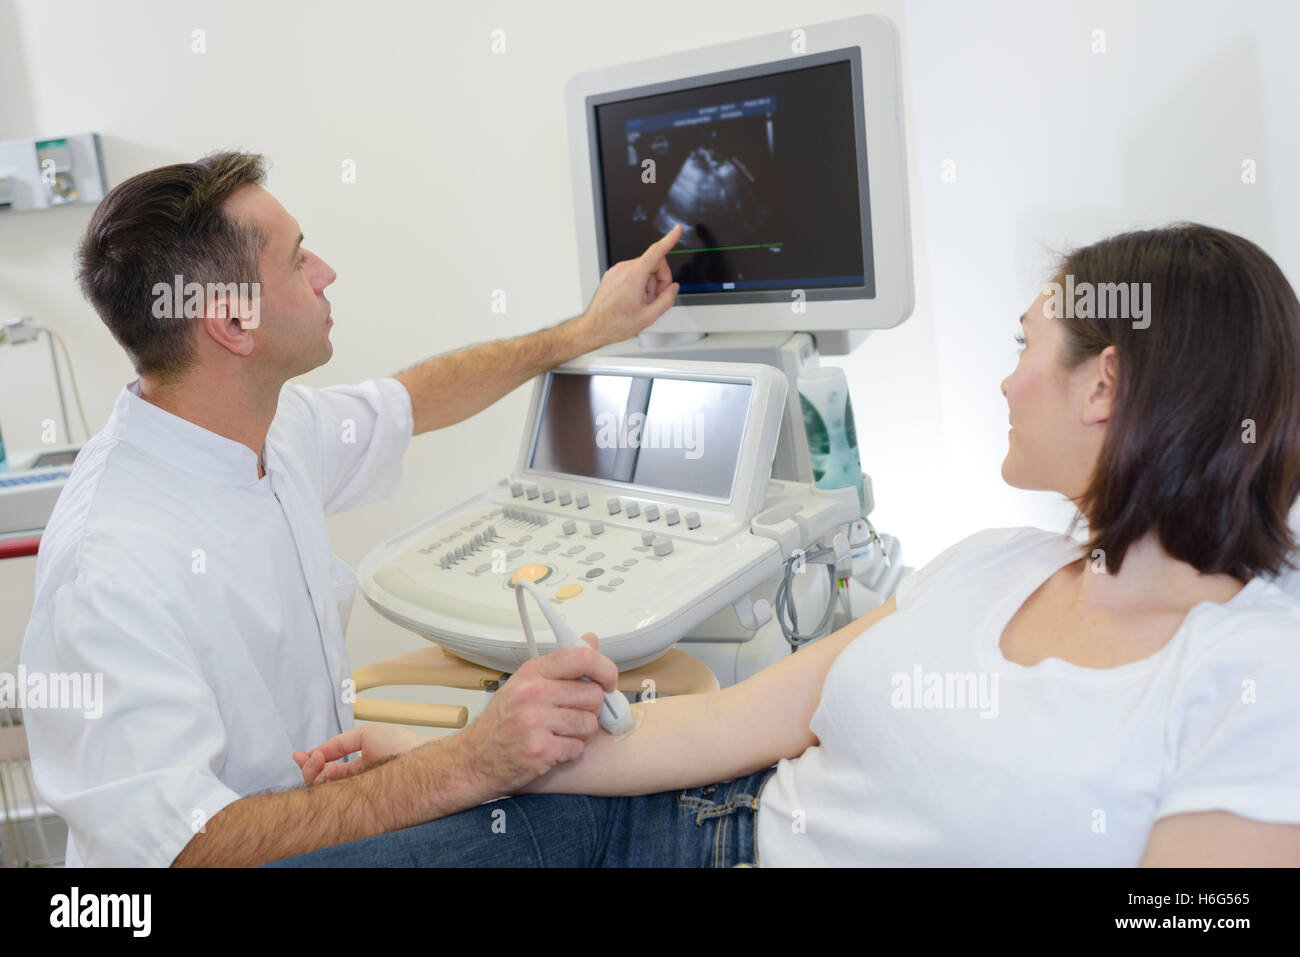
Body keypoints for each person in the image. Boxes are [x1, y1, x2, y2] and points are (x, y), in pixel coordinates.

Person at [271, 222, 1300, 867]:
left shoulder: (1256, 671)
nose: (1004, 380)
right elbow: (720, 727)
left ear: (1103, 386)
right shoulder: (993, 563)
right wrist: (458, 761)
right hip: (680, 826)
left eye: (1023, 345)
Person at [20, 150, 682, 867]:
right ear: (232, 326)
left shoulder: (264, 427)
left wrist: (584, 332)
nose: (326, 271)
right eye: (299, 259)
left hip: (316, 820)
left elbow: (415, 398)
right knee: (592, 821)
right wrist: (467, 763)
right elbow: (187, 844)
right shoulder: (112, 568)